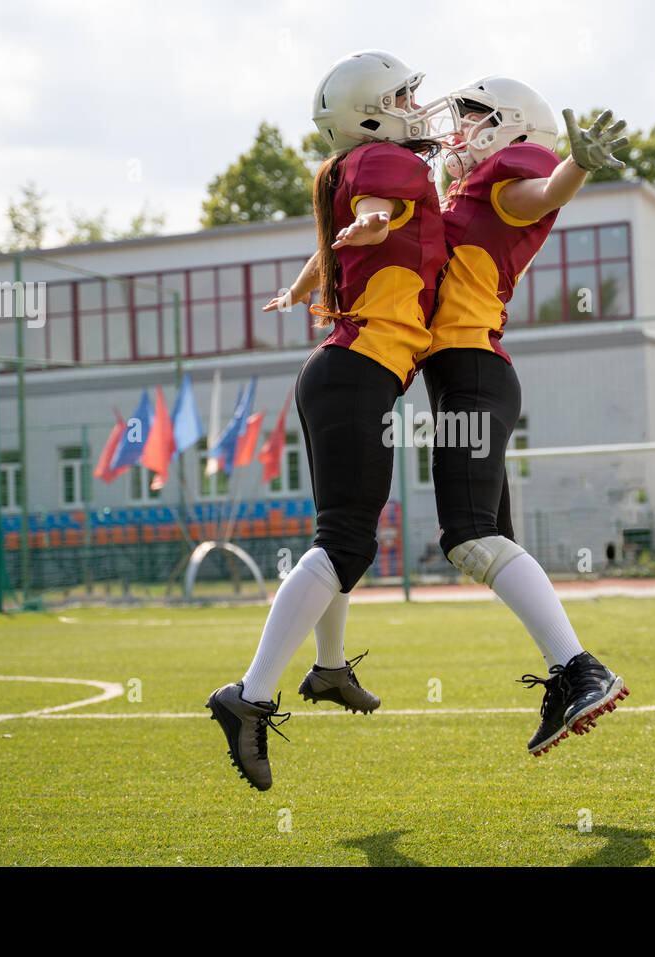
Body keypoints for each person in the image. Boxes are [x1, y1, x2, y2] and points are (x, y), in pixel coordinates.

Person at [206, 50, 448, 791]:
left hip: (344, 374)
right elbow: (374, 205)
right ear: (369, 112)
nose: (416, 103)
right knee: (345, 542)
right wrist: (371, 225)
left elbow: (344, 231)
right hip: (355, 375)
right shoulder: (385, 160)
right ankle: (246, 697)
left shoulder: (355, 163)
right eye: (402, 94)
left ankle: (331, 667)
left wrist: (302, 282)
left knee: (343, 536)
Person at [421, 77, 630, 757]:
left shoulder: (512, 177)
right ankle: (569, 671)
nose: (456, 132)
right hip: (467, 375)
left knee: (467, 538)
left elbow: (540, 195)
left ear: (507, 128)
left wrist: (576, 165)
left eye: (470, 118)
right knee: (492, 543)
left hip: (472, 374)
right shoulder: (464, 191)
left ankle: (580, 669)